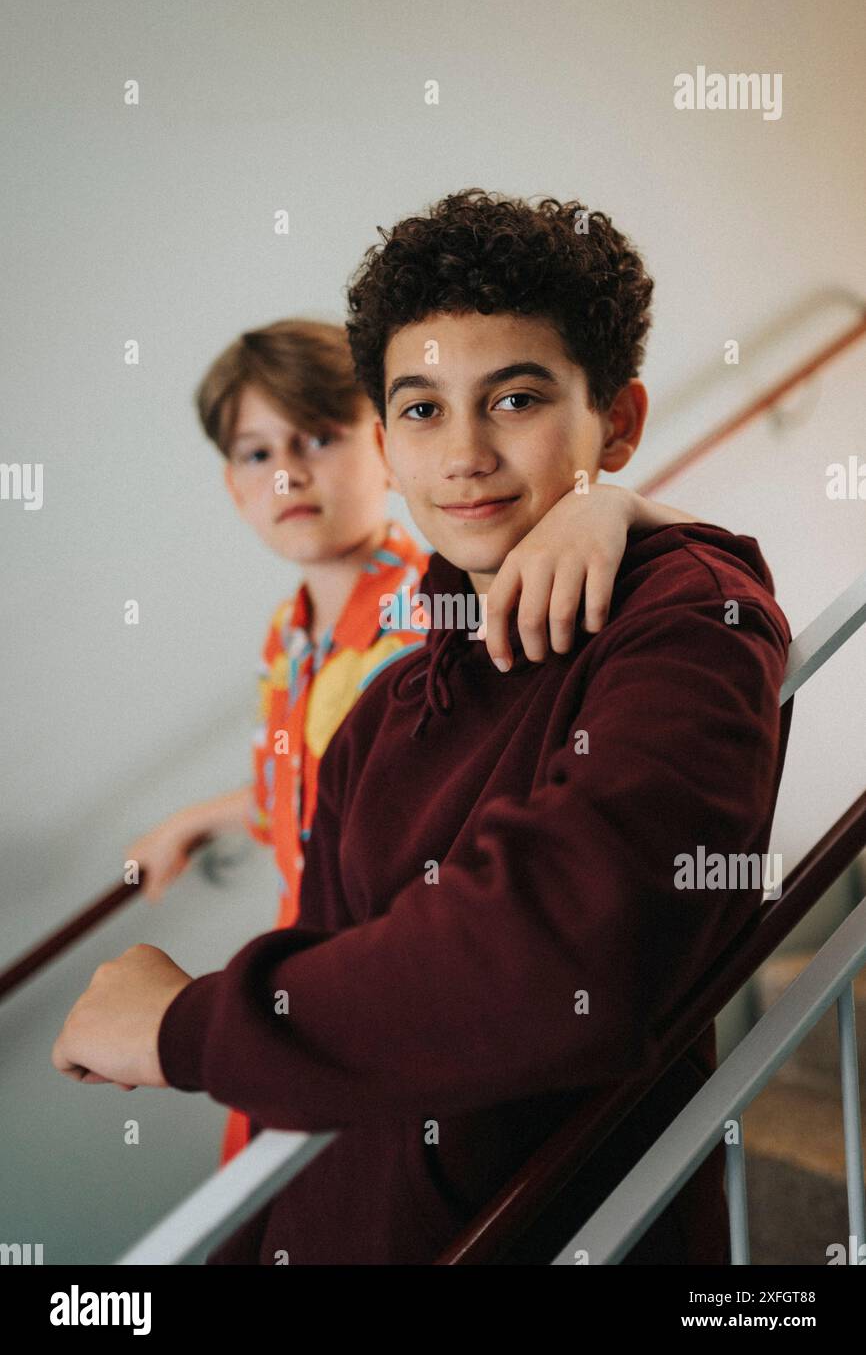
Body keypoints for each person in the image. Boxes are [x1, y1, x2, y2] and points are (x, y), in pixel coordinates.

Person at [52, 190, 791, 1266]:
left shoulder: (683, 616)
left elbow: (560, 951)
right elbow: (339, 1007)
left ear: (617, 422)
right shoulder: (382, 714)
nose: (462, 456)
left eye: (516, 398)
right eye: (420, 408)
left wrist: (185, 1027)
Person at [123, 316, 697, 1168]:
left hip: (399, 992)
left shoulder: (449, 596)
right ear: (233, 486)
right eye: (256, 453)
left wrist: (612, 505)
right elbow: (317, 787)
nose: (288, 472)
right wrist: (205, 817)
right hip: (302, 962)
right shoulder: (290, 633)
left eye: (320, 436)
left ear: (385, 451)